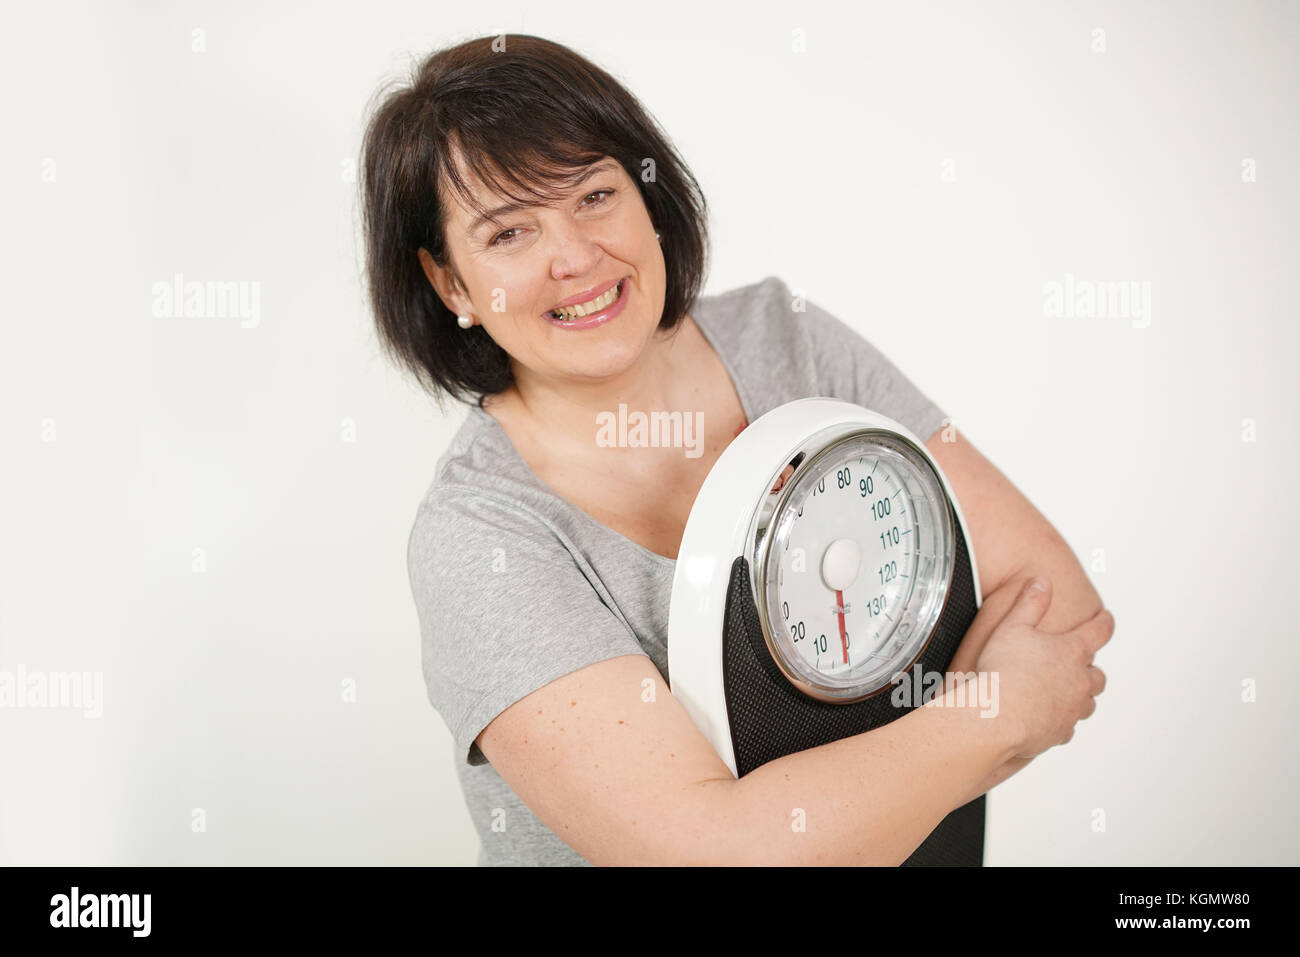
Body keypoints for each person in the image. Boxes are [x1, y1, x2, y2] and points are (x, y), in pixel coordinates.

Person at [359, 33, 1114, 866]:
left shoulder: (785, 342)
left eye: (594, 196)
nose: (574, 257)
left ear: (650, 198)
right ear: (451, 283)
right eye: (509, 234)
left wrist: (822, 806)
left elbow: (1060, 607)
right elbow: (715, 856)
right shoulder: (482, 538)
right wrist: (998, 713)